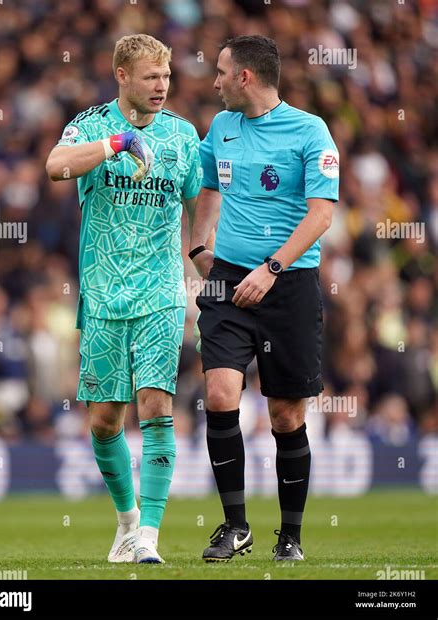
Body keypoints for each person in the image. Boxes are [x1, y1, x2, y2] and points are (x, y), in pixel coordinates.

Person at [46, 34, 204, 564]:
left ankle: (150, 538)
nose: (161, 87)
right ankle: (127, 522)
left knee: (158, 407)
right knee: (105, 421)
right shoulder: (89, 125)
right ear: (121, 75)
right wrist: (116, 144)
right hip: (103, 292)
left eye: (165, 77)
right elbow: (55, 166)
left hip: (161, 289)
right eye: (149, 77)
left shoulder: (183, 136)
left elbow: (201, 198)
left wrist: (200, 254)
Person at [189, 35, 339, 562]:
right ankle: (234, 526)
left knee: (284, 417)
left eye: (222, 72)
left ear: (245, 77)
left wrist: (273, 268)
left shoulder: (310, 131)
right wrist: (198, 246)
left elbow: (321, 214)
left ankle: (291, 537)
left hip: (289, 285)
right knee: (222, 395)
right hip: (228, 281)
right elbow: (207, 185)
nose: (215, 81)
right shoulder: (222, 127)